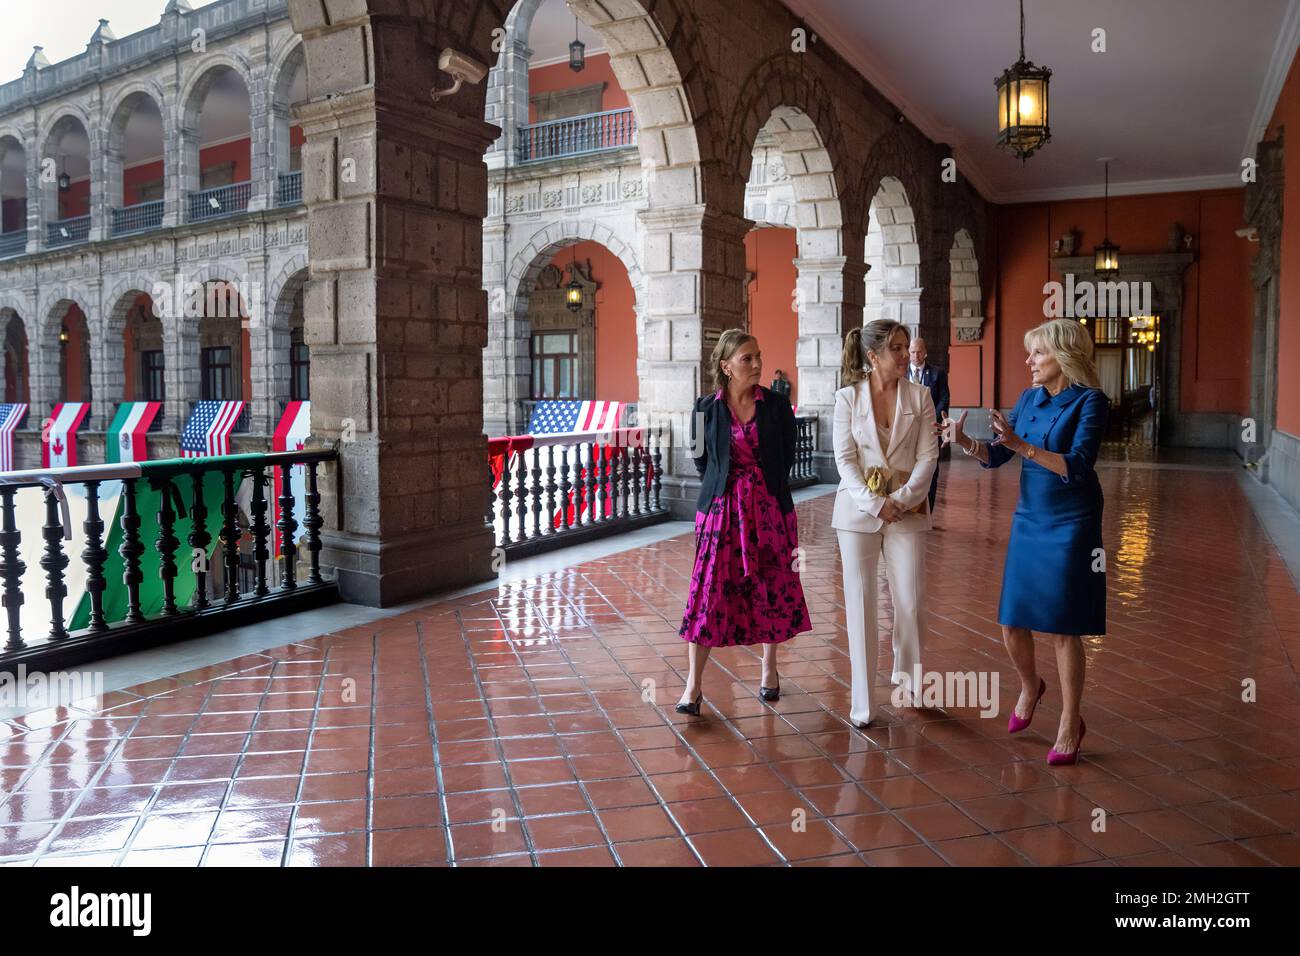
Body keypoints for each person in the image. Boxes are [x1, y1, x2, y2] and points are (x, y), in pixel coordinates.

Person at [939, 318, 1107, 765]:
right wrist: (966, 443)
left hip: (1072, 519)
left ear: (1063, 357)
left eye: (1037, 353)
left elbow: (1078, 465)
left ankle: (1071, 719)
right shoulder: (1029, 398)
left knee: (1062, 627)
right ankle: (1032, 686)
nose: (1029, 361)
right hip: (1030, 517)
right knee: (1012, 621)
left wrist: (1022, 446)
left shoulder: (1091, 402)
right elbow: (997, 454)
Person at [677, 330, 811, 715]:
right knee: (706, 592)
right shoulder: (705, 409)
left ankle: (769, 668)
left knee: (770, 586)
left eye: (758, 357)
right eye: (747, 359)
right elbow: (702, 461)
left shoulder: (777, 405)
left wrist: (758, 488)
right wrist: (728, 488)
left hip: (770, 511)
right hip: (720, 512)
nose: (756, 365)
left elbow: (785, 458)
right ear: (726, 366)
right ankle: (693, 685)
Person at [831, 320, 937, 728]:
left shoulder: (921, 396)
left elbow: (929, 457)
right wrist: (876, 504)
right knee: (860, 607)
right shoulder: (847, 398)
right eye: (896, 348)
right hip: (857, 513)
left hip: (907, 510)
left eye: (905, 346)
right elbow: (845, 461)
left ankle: (907, 679)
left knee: (910, 600)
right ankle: (863, 703)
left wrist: (903, 499)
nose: (904, 354)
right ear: (873, 356)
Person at [906, 338, 949, 514]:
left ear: (925, 352)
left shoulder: (938, 373)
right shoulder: (901, 374)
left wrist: (931, 418)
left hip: (931, 429)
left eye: (918, 352)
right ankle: (909, 508)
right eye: (912, 352)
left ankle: (927, 512)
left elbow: (944, 399)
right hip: (907, 431)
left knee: (931, 470)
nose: (915, 355)